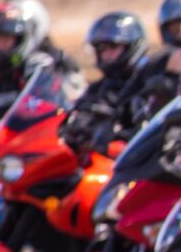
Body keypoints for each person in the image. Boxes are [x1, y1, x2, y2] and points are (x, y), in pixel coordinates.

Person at [0, 0, 78, 129]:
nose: (1, 45)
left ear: (19, 39)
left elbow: (51, 104)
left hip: (30, 141)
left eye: (6, 38)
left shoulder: (36, 66)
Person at [61, 10, 150, 155]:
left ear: (132, 46)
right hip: (100, 163)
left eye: (113, 47)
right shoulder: (98, 88)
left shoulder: (147, 82)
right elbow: (76, 113)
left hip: (137, 161)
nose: (106, 54)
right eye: (101, 49)